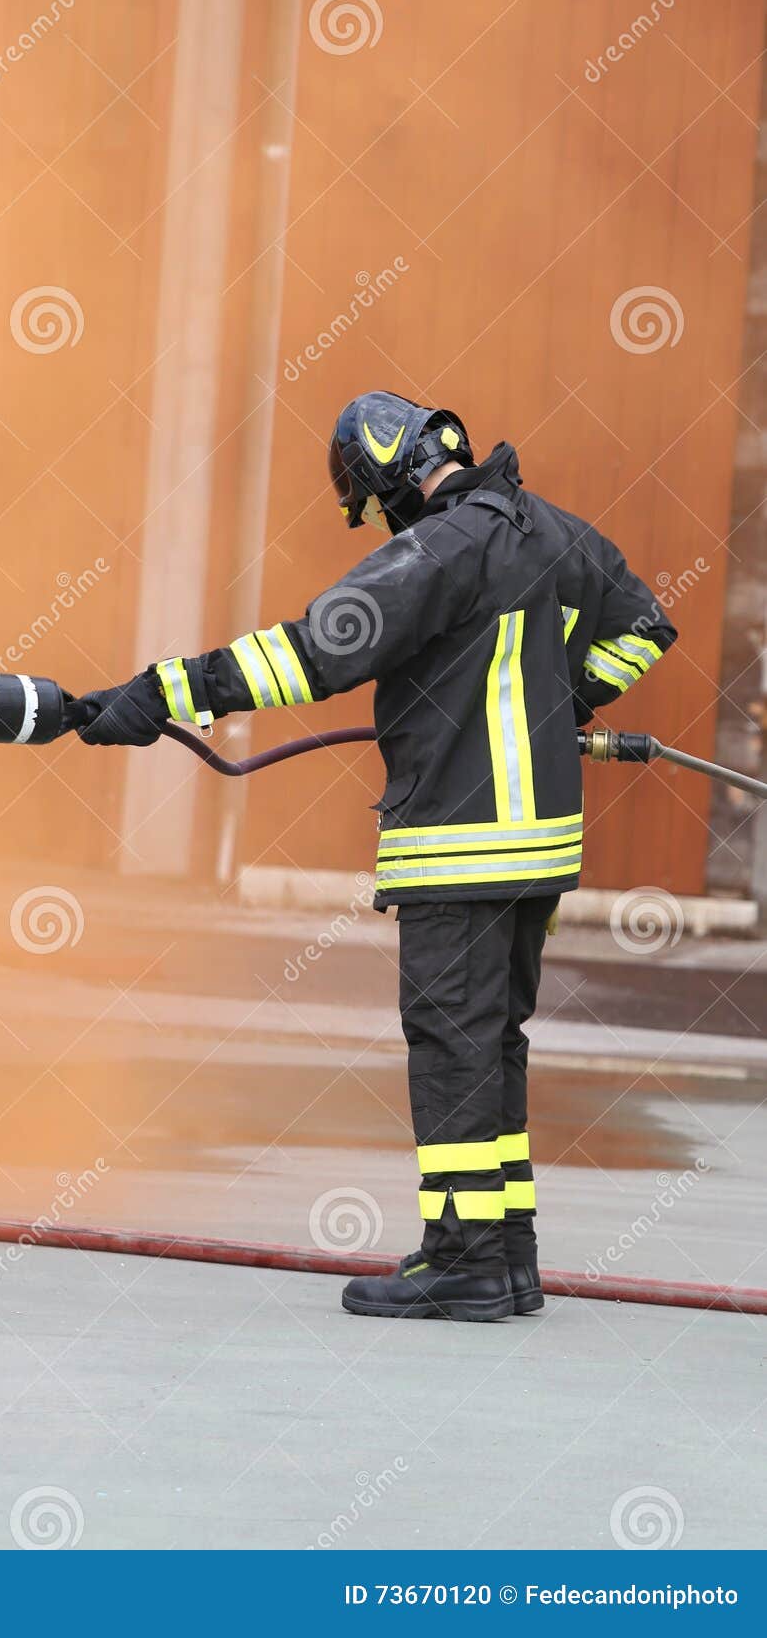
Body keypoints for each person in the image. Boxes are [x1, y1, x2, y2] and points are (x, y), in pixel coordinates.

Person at [74, 390, 677, 1322]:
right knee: (491, 1043)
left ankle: (465, 1260)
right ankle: (506, 1256)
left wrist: (168, 692)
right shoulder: (557, 533)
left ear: (389, 477)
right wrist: (569, 699)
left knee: (451, 1045)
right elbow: (646, 626)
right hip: (539, 848)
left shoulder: (439, 549)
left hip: (460, 843)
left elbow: (316, 651)